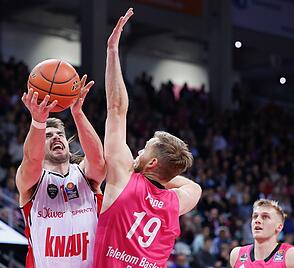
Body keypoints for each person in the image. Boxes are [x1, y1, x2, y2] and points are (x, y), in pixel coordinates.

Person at [93, 8, 202, 267]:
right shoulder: (176, 202)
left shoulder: (123, 179)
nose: (138, 153)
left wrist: (111, 51)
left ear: (152, 164)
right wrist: (161, 171)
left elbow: (117, 109)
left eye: (144, 150)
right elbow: (195, 188)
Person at [17, 75, 106, 267]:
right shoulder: (33, 181)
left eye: (60, 135)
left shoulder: (85, 175)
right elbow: (32, 159)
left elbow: (98, 160)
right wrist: (38, 122)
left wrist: (78, 113)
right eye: (48, 136)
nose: (56, 138)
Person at [229, 199, 294, 268]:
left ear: (279, 227)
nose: (257, 220)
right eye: (255, 216)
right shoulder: (236, 255)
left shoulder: (293, 256)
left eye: (265, 217)